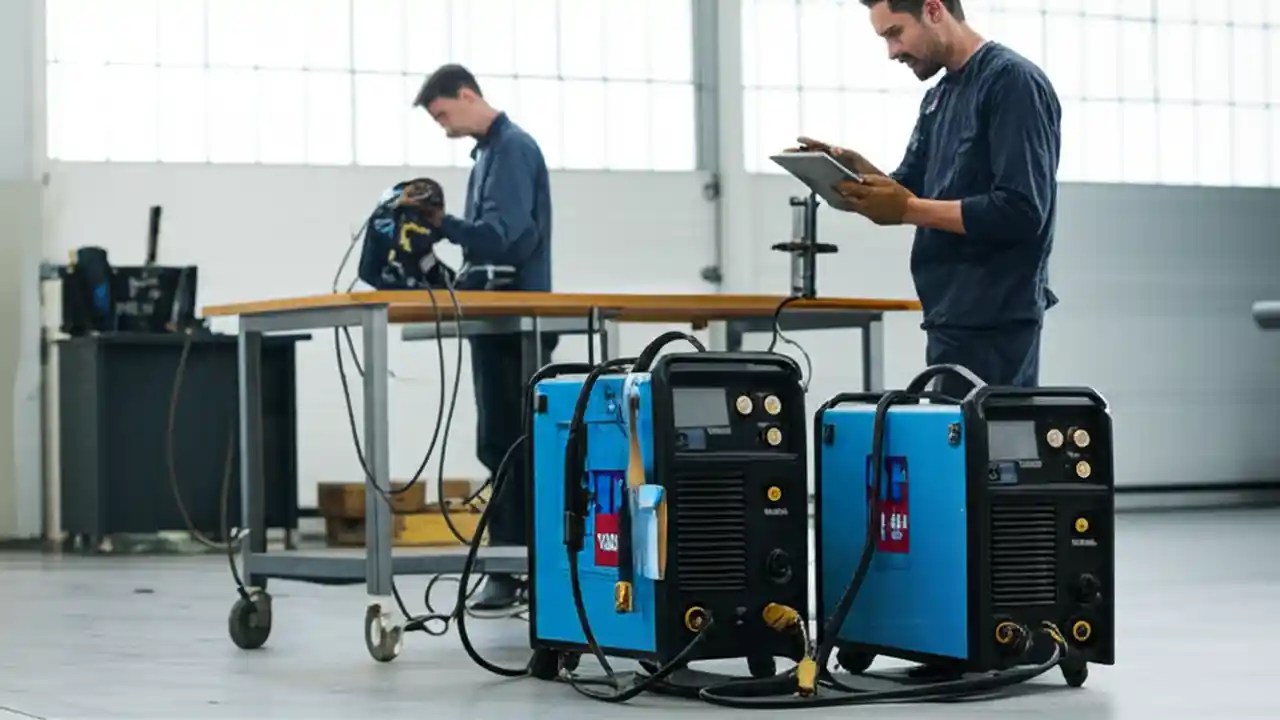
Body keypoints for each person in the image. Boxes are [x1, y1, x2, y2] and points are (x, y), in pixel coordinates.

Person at [796, 0, 1061, 402]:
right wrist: (853, 174)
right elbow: (910, 188)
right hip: (949, 316)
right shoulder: (939, 98)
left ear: (934, 10)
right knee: (952, 455)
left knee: (980, 456)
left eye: (895, 33)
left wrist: (907, 210)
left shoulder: (1012, 83)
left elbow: (1022, 211)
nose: (892, 52)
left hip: (996, 321)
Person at [413, 63, 555, 610]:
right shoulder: (488, 157)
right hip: (496, 319)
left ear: (468, 94)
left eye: (445, 114)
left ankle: (516, 569)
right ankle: (511, 567)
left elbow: (509, 238)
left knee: (513, 445)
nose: (444, 126)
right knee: (499, 443)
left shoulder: (513, 150)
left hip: (516, 322)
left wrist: (442, 223)